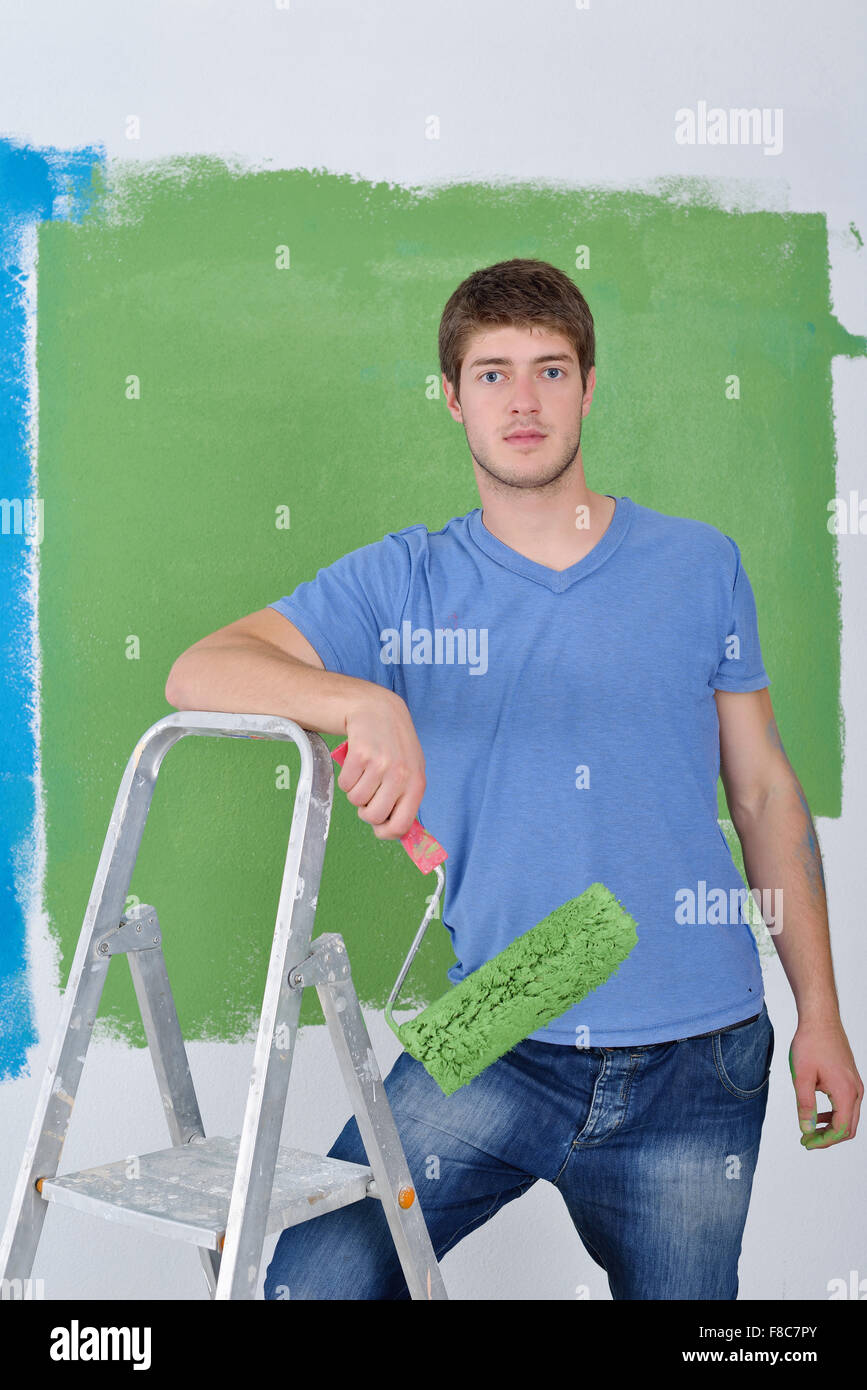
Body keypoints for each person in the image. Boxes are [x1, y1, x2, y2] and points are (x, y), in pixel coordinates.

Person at [165, 258, 862, 1300]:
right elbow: (198, 669)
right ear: (453, 398)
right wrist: (364, 701)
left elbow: (762, 792)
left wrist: (822, 1010)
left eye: (549, 369)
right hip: (509, 997)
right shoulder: (406, 579)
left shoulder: (698, 563)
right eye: (491, 374)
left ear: (588, 384)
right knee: (311, 1279)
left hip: (699, 1039)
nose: (523, 399)